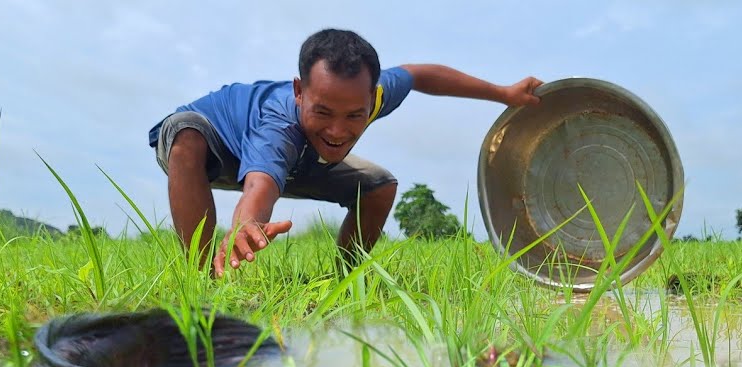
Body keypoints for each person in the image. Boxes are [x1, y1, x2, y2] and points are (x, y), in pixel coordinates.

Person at [148, 28, 543, 277]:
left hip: (303, 157)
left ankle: (343, 280)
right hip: (217, 146)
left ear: (372, 98)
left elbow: (421, 74)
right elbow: (261, 186)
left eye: (354, 114)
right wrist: (245, 226)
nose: (338, 130)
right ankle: (201, 277)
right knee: (186, 136)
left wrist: (503, 93)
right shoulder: (277, 126)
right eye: (323, 111)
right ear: (299, 92)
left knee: (379, 186)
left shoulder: (376, 94)